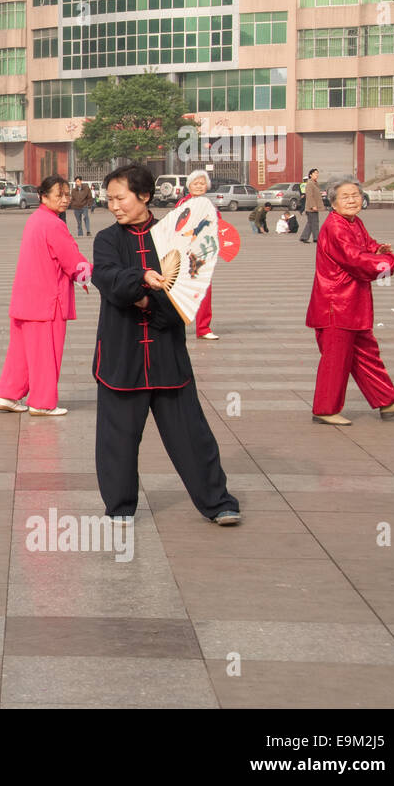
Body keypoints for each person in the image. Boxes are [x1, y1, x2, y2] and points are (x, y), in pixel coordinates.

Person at [91, 164, 242, 525]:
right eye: (109, 199)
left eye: (120, 197)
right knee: (118, 440)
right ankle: (120, 507)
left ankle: (216, 501)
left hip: (166, 352)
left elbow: (186, 294)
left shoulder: (176, 237)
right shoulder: (107, 240)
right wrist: (141, 279)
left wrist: (150, 305)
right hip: (121, 355)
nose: (114, 205)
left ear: (144, 196)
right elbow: (107, 278)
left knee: (191, 433)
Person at [306, 181, 394, 425]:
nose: (351, 200)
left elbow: (365, 246)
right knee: (336, 359)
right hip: (336, 304)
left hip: (353, 303)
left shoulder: (354, 222)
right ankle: (324, 409)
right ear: (333, 202)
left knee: (367, 354)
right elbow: (356, 260)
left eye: (355, 195)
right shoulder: (335, 226)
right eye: (345, 196)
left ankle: (387, 401)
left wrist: (379, 249)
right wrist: (393, 259)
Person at [0, 175, 88, 417]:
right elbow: (72, 261)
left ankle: (8, 395)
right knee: (46, 353)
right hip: (47, 300)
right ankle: (42, 402)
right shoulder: (54, 224)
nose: (65, 199)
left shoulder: (35, 219)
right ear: (43, 196)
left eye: (67, 194)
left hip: (25, 298)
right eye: (60, 195)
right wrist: (91, 274)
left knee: (21, 353)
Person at [175, 170, 219, 340]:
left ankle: (204, 328)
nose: (199, 186)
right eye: (196, 183)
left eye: (202, 183)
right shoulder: (183, 204)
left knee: (204, 290)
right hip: (185, 253)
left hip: (203, 253)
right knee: (180, 290)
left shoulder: (210, 205)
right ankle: (175, 325)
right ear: (189, 186)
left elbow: (217, 227)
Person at [300, 168, 323, 243]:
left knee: (310, 222)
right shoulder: (310, 184)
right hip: (311, 207)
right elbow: (310, 196)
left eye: (317, 173)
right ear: (310, 175)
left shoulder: (315, 183)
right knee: (314, 222)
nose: (317, 175)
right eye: (315, 173)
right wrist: (313, 206)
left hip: (313, 206)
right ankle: (316, 238)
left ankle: (304, 237)